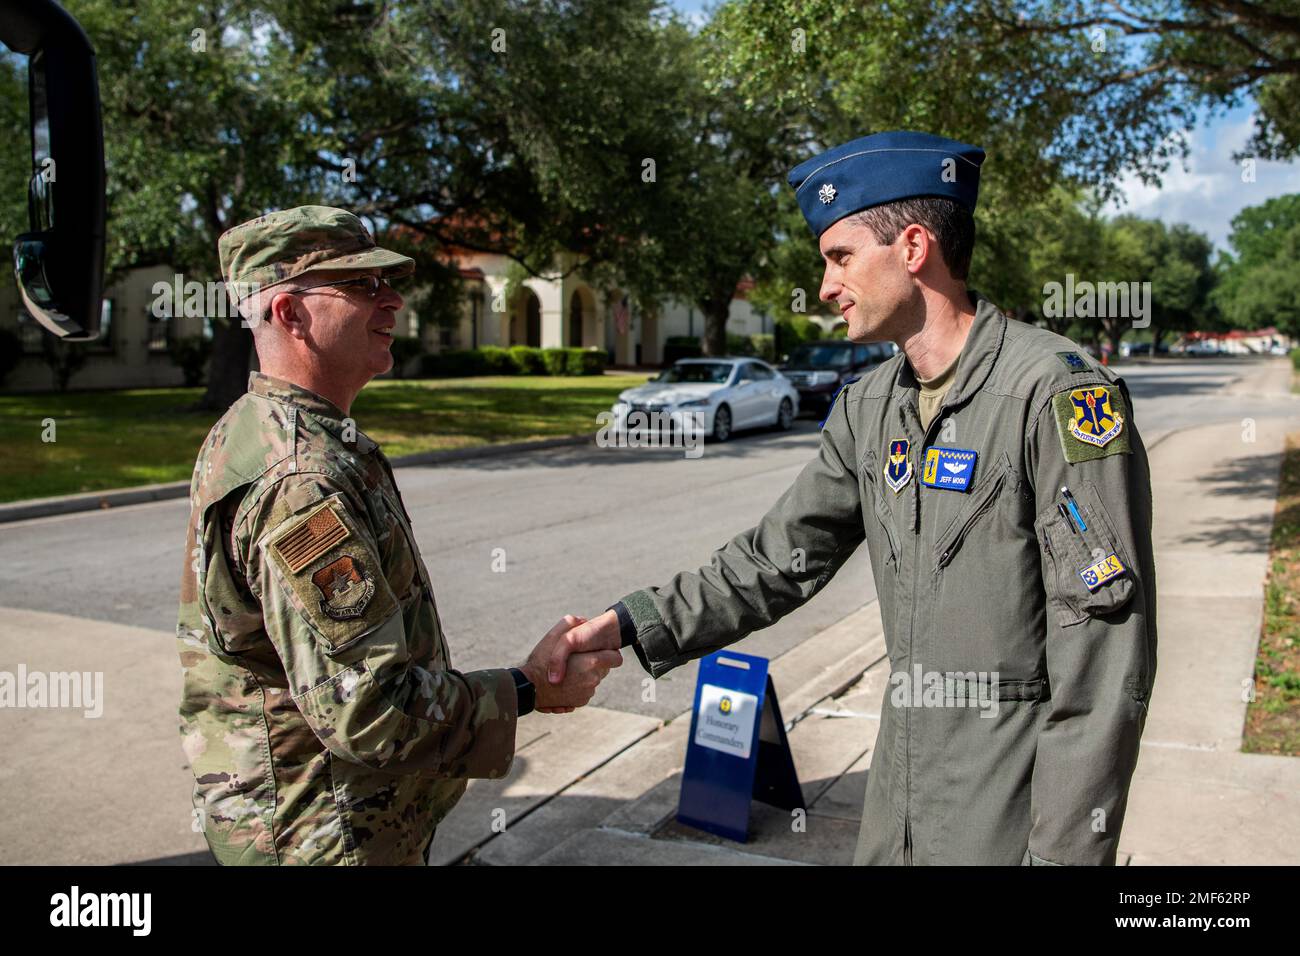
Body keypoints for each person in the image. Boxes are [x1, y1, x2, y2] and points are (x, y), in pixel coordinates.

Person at [551, 131, 1157, 866]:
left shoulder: (1058, 392)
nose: (826, 287)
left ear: (911, 247)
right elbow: (775, 562)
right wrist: (628, 626)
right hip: (894, 816)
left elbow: (1101, 664)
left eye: (840, 258)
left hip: (1005, 824)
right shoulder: (870, 408)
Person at [176, 205, 621, 865]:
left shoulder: (272, 428)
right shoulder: (301, 477)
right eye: (360, 287)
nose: (392, 301)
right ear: (288, 314)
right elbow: (368, 709)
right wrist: (530, 687)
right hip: (326, 837)